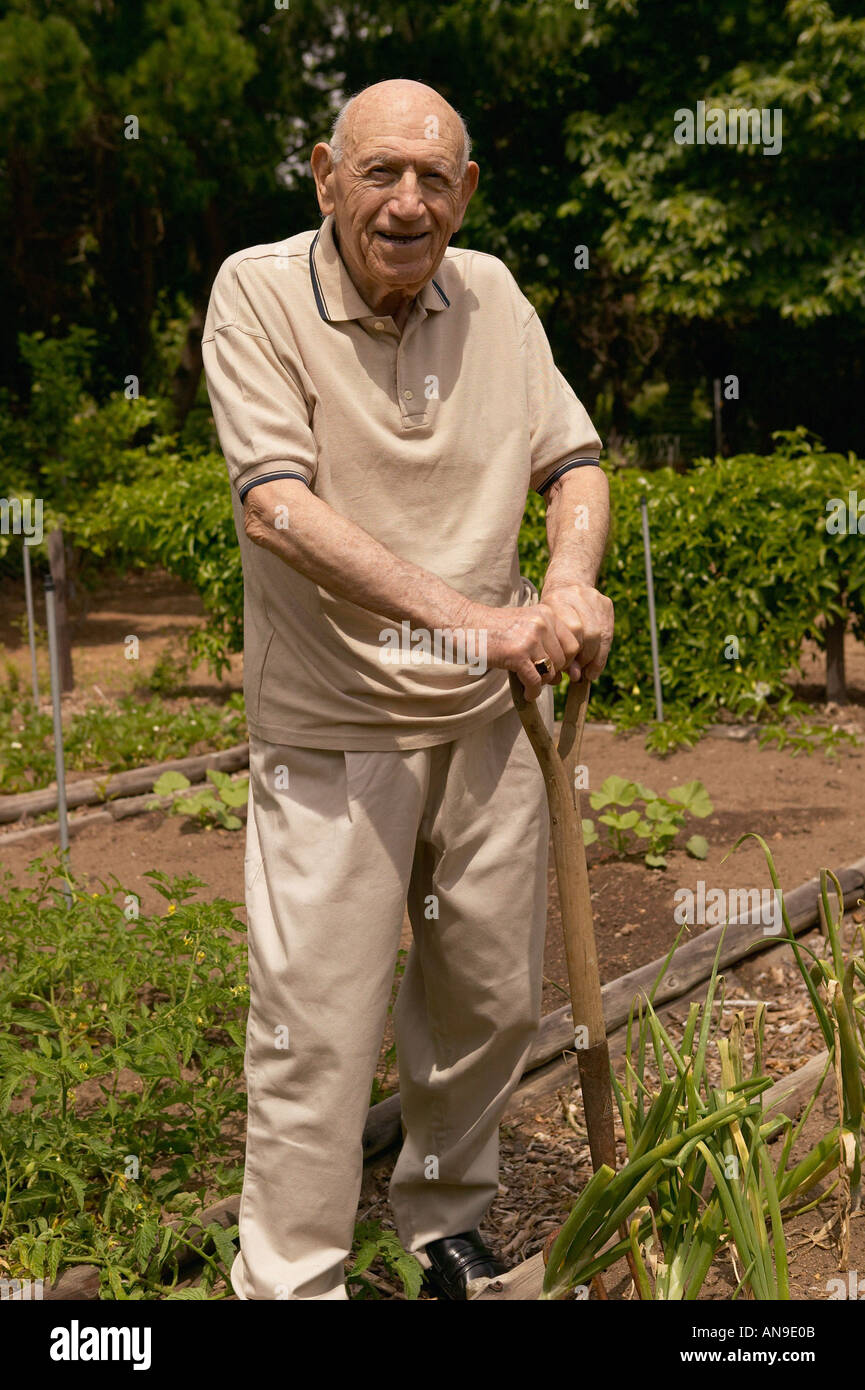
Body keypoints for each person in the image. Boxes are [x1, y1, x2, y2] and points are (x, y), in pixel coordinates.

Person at [202, 77, 613, 1301]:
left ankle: (442, 1220)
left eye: (435, 177)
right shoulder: (257, 291)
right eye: (380, 172)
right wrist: (474, 620)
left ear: (467, 192)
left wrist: (572, 578)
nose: (408, 200)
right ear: (326, 175)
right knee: (314, 1030)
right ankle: (292, 1278)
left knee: (489, 1001)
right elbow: (278, 508)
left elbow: (575, 459)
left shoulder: (494, 296)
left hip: (495, 719)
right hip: (335, 729)